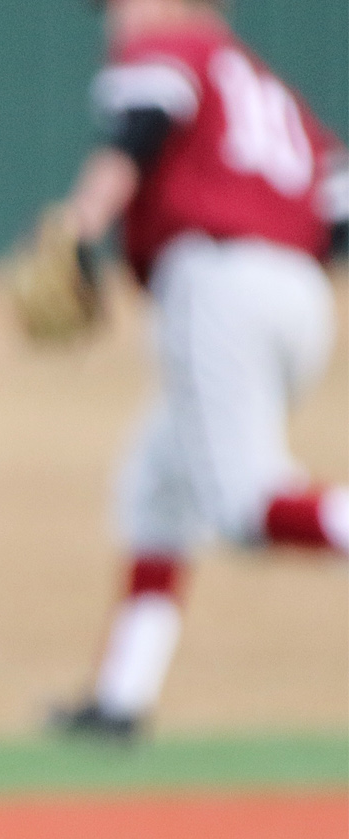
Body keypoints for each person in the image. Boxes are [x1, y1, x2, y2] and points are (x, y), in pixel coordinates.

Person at [42, 0, 348, 739]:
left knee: (245, 505)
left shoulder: (173, 44)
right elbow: (339, 203)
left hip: (216, 283)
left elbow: (139, 130)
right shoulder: (266, 86)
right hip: (298, 293)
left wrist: (83, 221)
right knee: (156, 484)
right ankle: (119, 701)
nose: (114, 18)